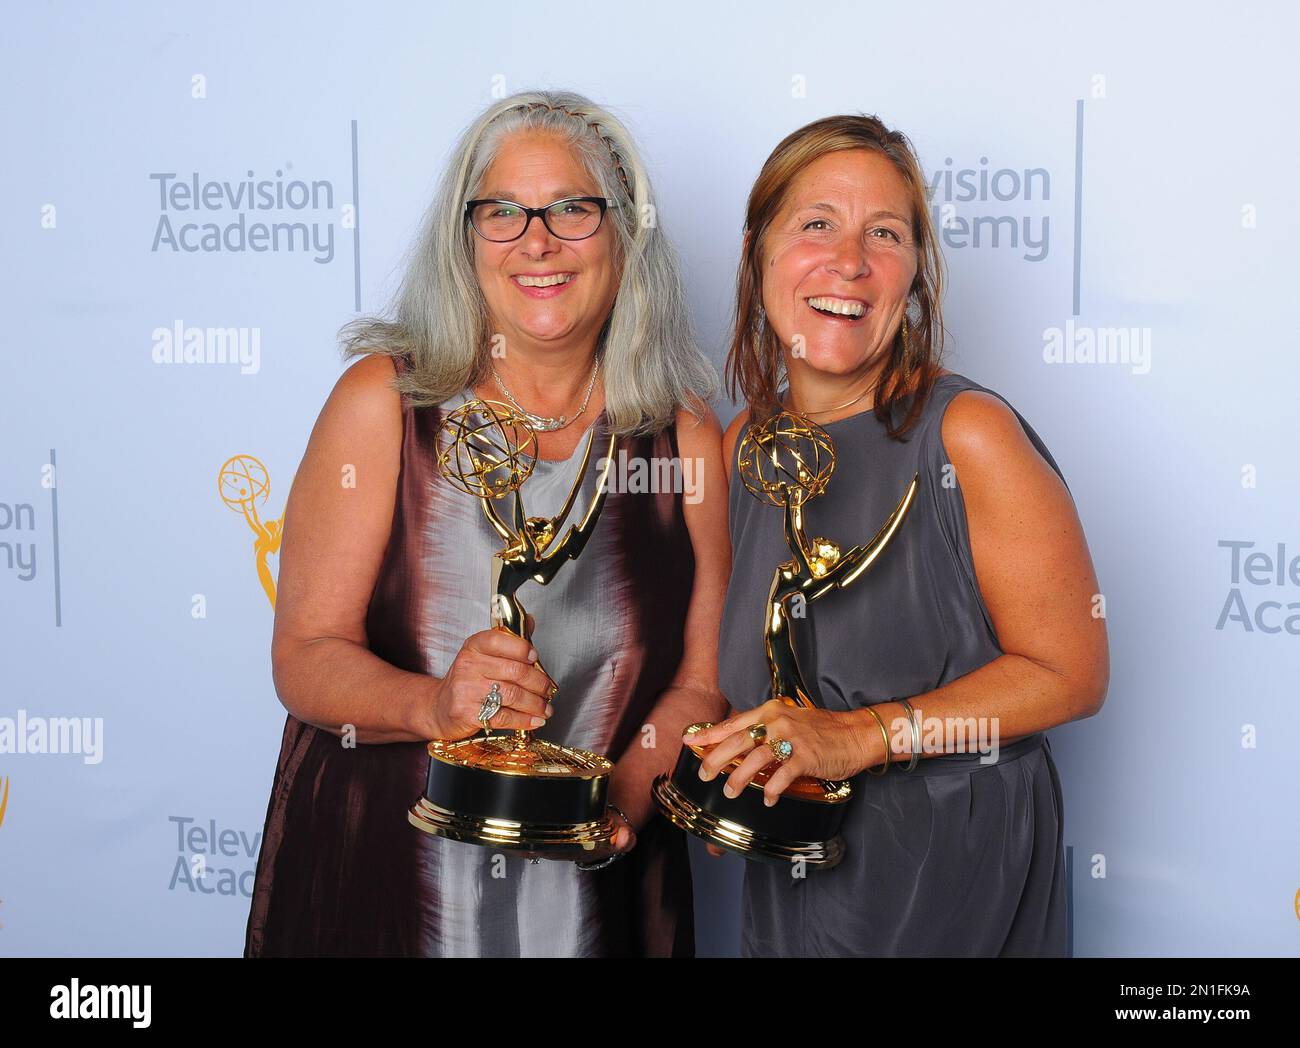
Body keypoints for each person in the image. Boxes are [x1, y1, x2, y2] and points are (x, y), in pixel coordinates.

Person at [244, 90, 729, 957]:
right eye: (501, 211)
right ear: (464, 240)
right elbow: (305, 657)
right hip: (389, 870)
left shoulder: (684, 429)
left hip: (595, 888)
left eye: (573, 209)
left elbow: (700, 680)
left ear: (624, 232)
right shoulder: (386, 401)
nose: (535, 240)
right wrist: (432, 702)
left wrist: (614, 804)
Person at [687, 113, 1109, 957]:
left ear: (913, 274)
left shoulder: (967, 434)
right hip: (795, 874)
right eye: (816, 225)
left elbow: (1071, 675)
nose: (849, 261)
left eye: (884, 233)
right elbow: (747, 681)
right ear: (755, 252)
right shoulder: (742, 449)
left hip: (953, 871)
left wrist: (862, 736)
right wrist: (728, 769)